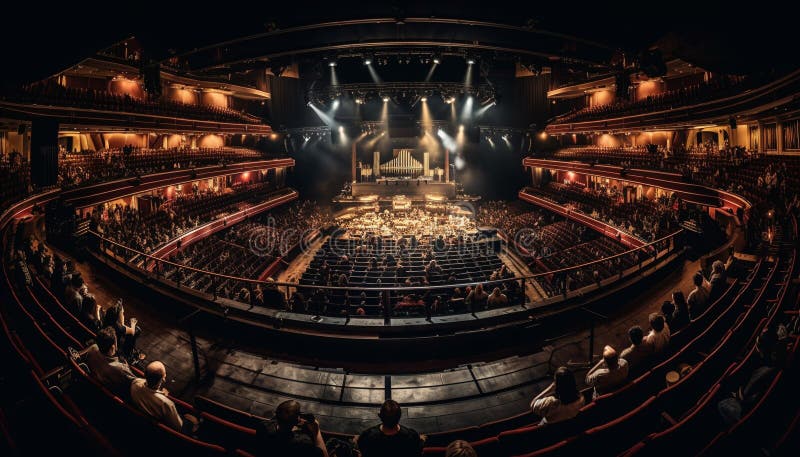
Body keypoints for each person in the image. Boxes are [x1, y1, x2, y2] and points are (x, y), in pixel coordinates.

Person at [130, 361, 197, 434]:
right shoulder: (167, 404)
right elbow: (178, 427)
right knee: (193, 420)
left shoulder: (135, 383)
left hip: (141, 417)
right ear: (163, 379)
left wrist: (160, 394)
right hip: (160, 427)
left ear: (145, 374)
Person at [256, 400, 328, 457]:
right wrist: (316, 431)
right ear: (297, 420)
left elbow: (278, 420)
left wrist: (291, 420)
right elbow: (323, 455)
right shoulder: (303, 443)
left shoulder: (263, 426)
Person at [356, 400, 423, 457]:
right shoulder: (412, 437)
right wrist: (421, 440)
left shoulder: (367, 437)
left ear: (380, 416)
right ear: (399, 416)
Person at [84, 326, 136, 399]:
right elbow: (134, 382)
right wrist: (126, 365)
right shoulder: (121, 368)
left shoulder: (93, 348)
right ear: (113, 347)